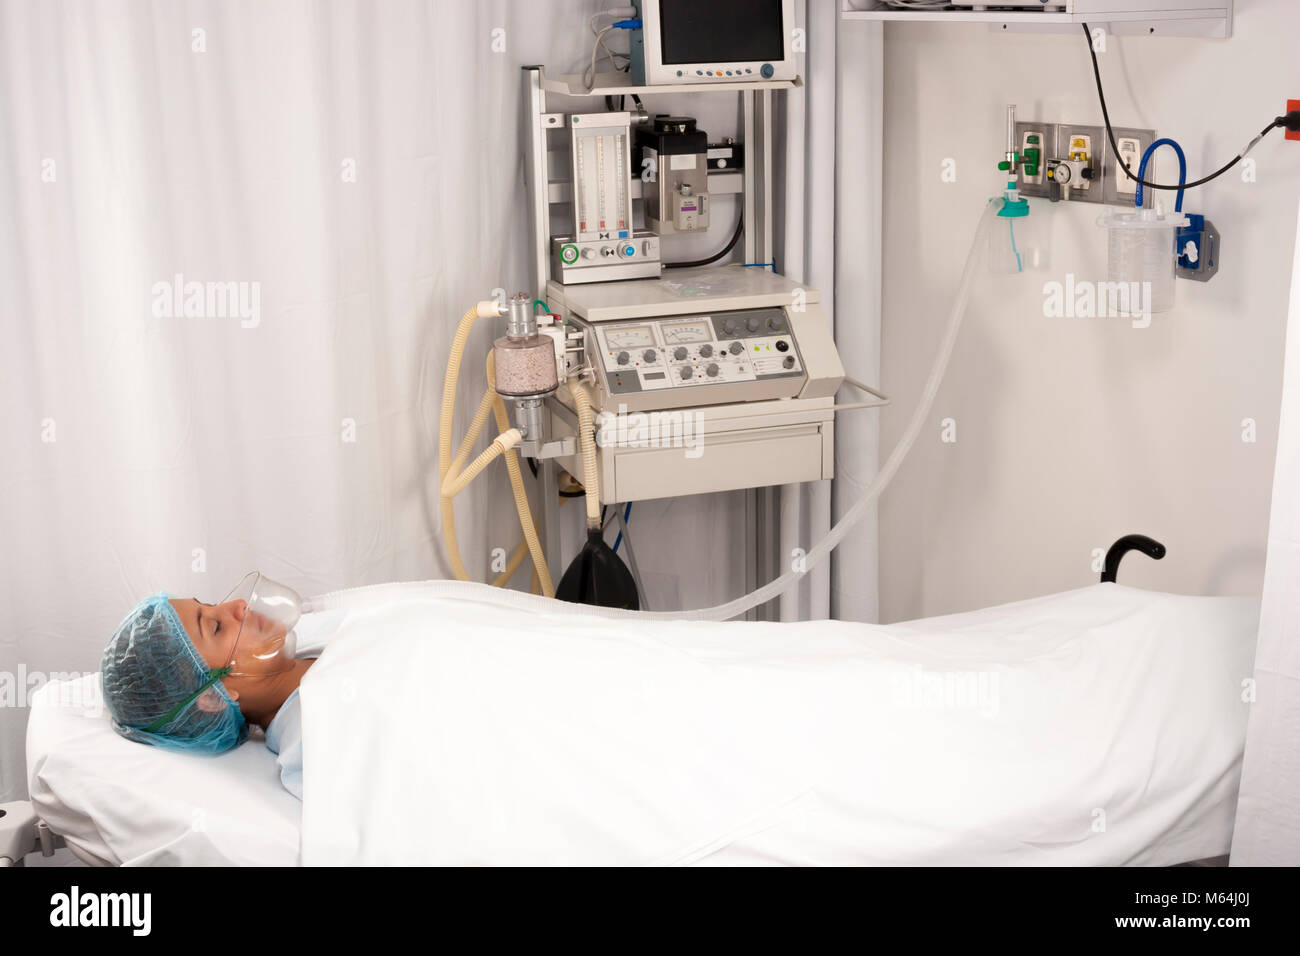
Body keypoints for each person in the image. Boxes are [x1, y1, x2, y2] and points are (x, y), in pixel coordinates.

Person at [99, 588, 318, 799]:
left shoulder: (311, 630)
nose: (239, 604)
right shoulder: (315, 737)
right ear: (213, 697)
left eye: (211, 605)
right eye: (216, 627)